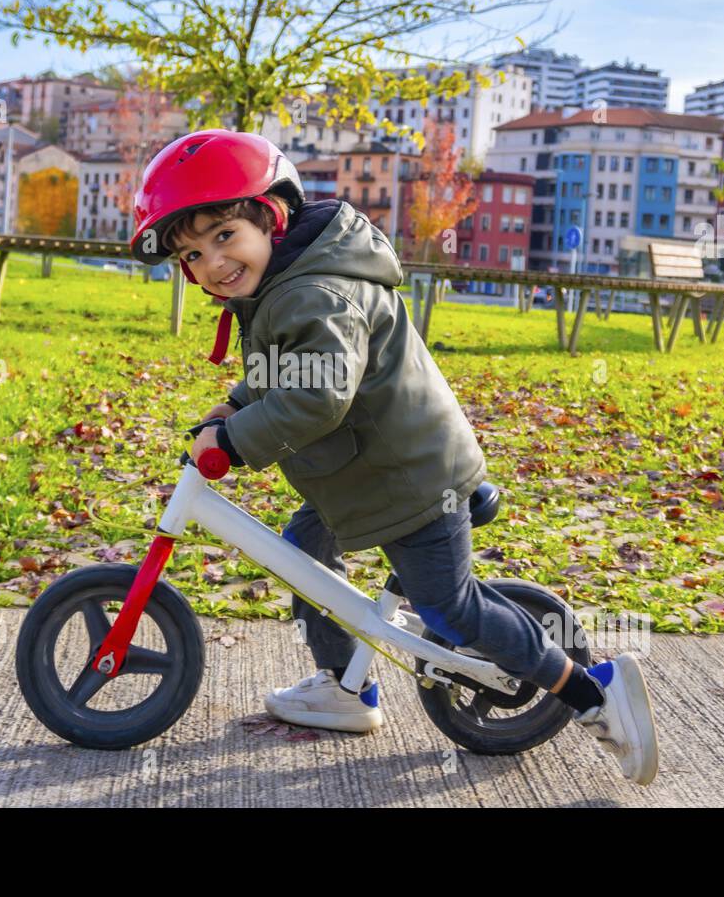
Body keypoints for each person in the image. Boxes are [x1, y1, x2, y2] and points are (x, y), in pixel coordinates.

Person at [129, 129, 659, 785]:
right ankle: (344, 689)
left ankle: (592, 691)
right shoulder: (283, 281)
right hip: (365, 470)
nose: (212, 262)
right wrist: (239, 404)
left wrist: (234, 444)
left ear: (271, 217)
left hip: (411, 476)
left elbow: (318, 394)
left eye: (224, 236)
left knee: (448, 607)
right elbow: (287, 363)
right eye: (192, 253)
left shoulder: (314, 291)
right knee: (304, 558)